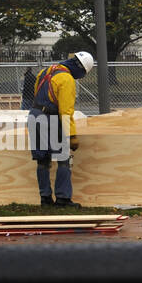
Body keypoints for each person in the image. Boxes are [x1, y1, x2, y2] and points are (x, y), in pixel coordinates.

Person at [27, 52, 94, 207]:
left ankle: (45, 199)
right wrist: (71, 136)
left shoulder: (46, 71)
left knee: (42, 160)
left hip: (34, 116)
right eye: (82, 74)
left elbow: (37, 93)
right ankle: (63, 199)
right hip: (50, 119)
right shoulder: (67, 79)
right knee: (63, 160)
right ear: (80, 69)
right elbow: (66, 111)